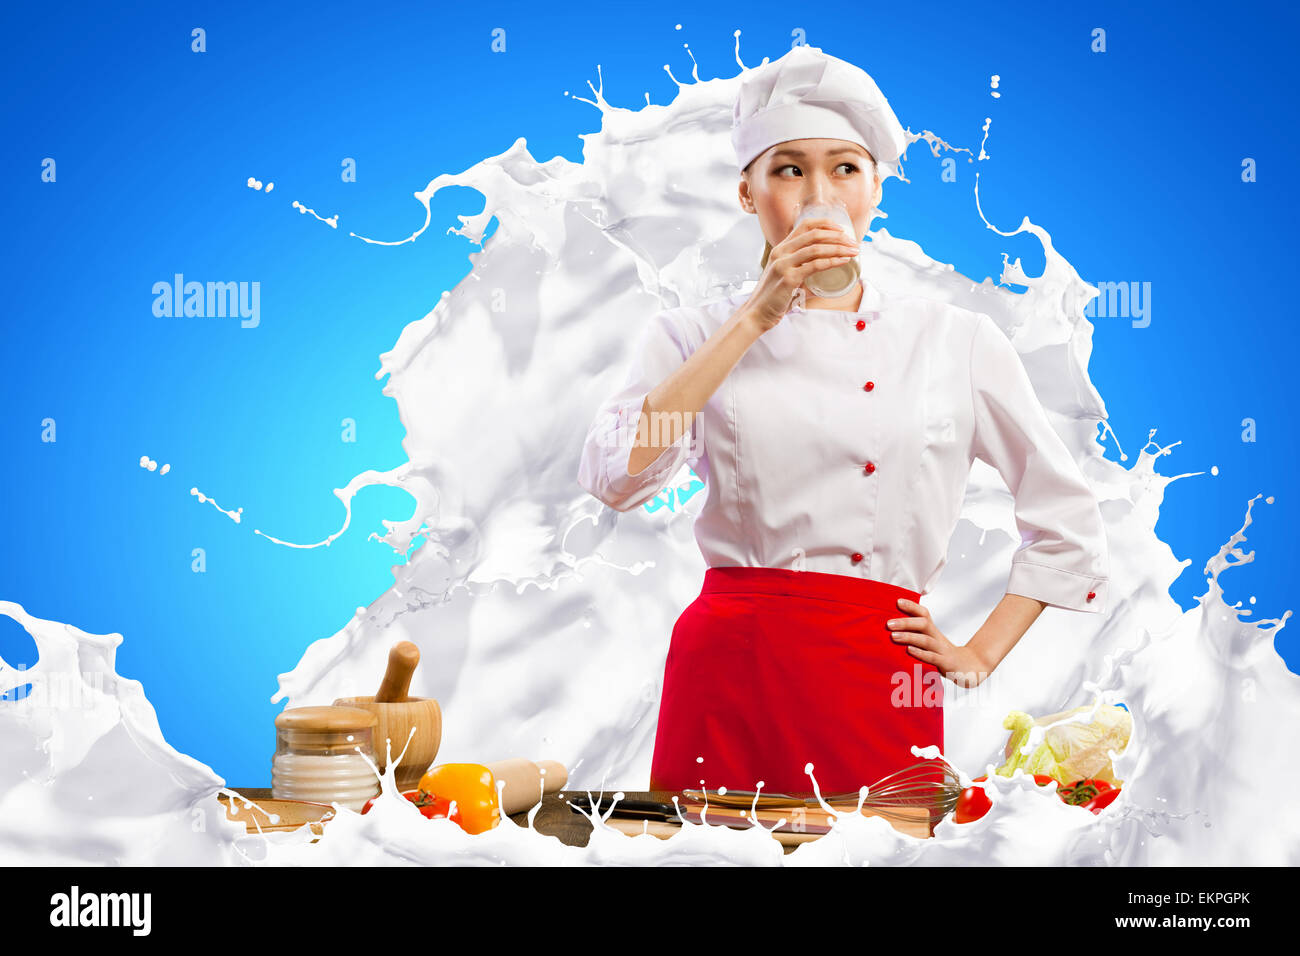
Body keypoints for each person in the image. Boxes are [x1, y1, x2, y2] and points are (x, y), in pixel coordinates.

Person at [575, 45, 1109, 798]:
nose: (818, 194)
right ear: (746, 192)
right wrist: (752, 320)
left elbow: (1067, 517)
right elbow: (617, 474)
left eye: (845, 169)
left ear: (876, 190)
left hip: (885, 671)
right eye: (788, 169)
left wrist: (979, 654)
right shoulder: (690, 335)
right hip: (733, 666)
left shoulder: (954, 341)